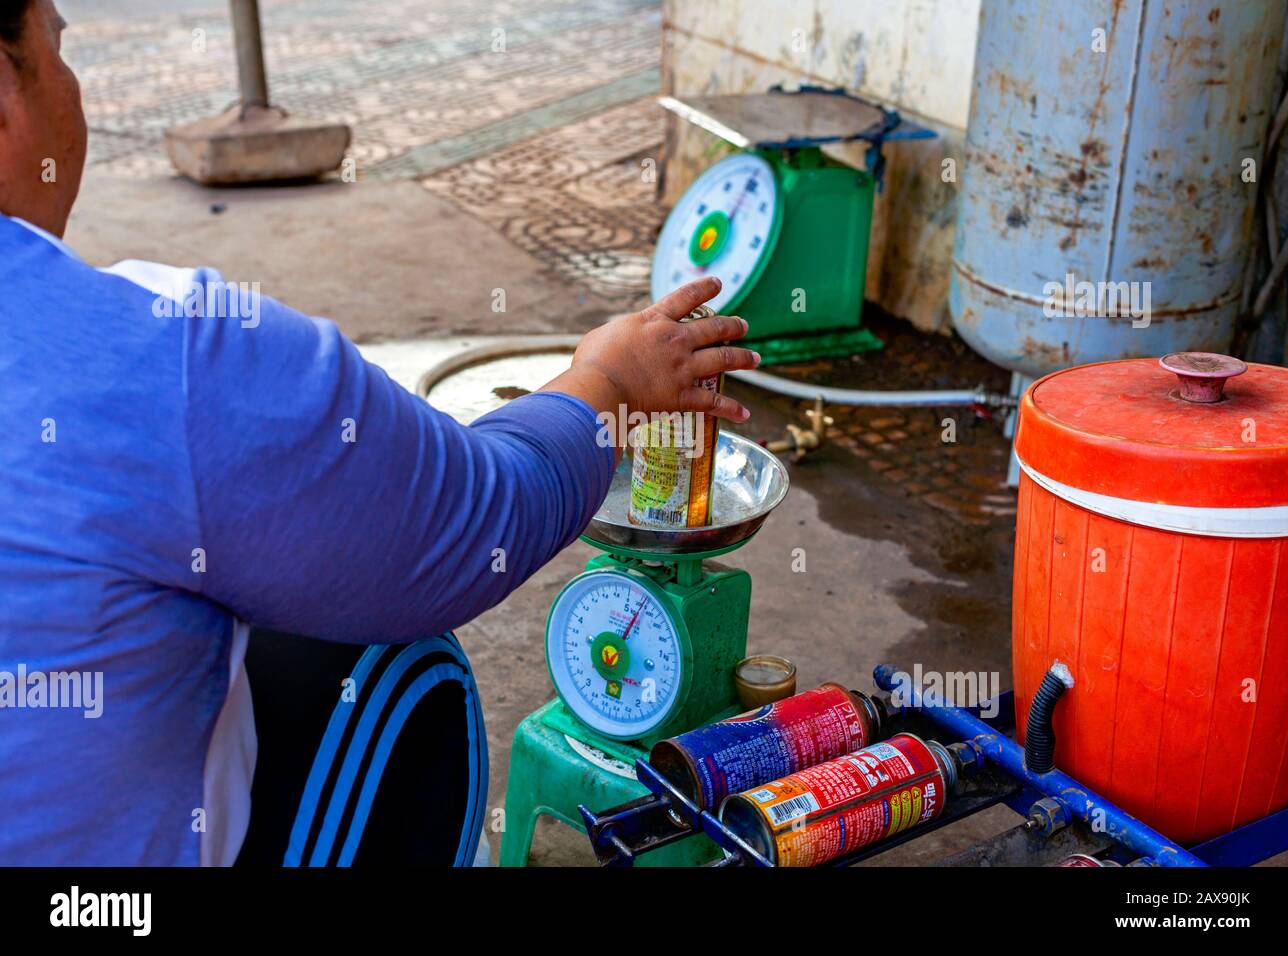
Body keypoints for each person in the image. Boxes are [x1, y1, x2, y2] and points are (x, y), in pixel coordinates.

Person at [0, 0, 759, 865]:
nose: (72, 84)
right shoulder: (167, 354)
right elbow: (478, 516)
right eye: (57, 47)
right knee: (392, 669)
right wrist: (612, 381)